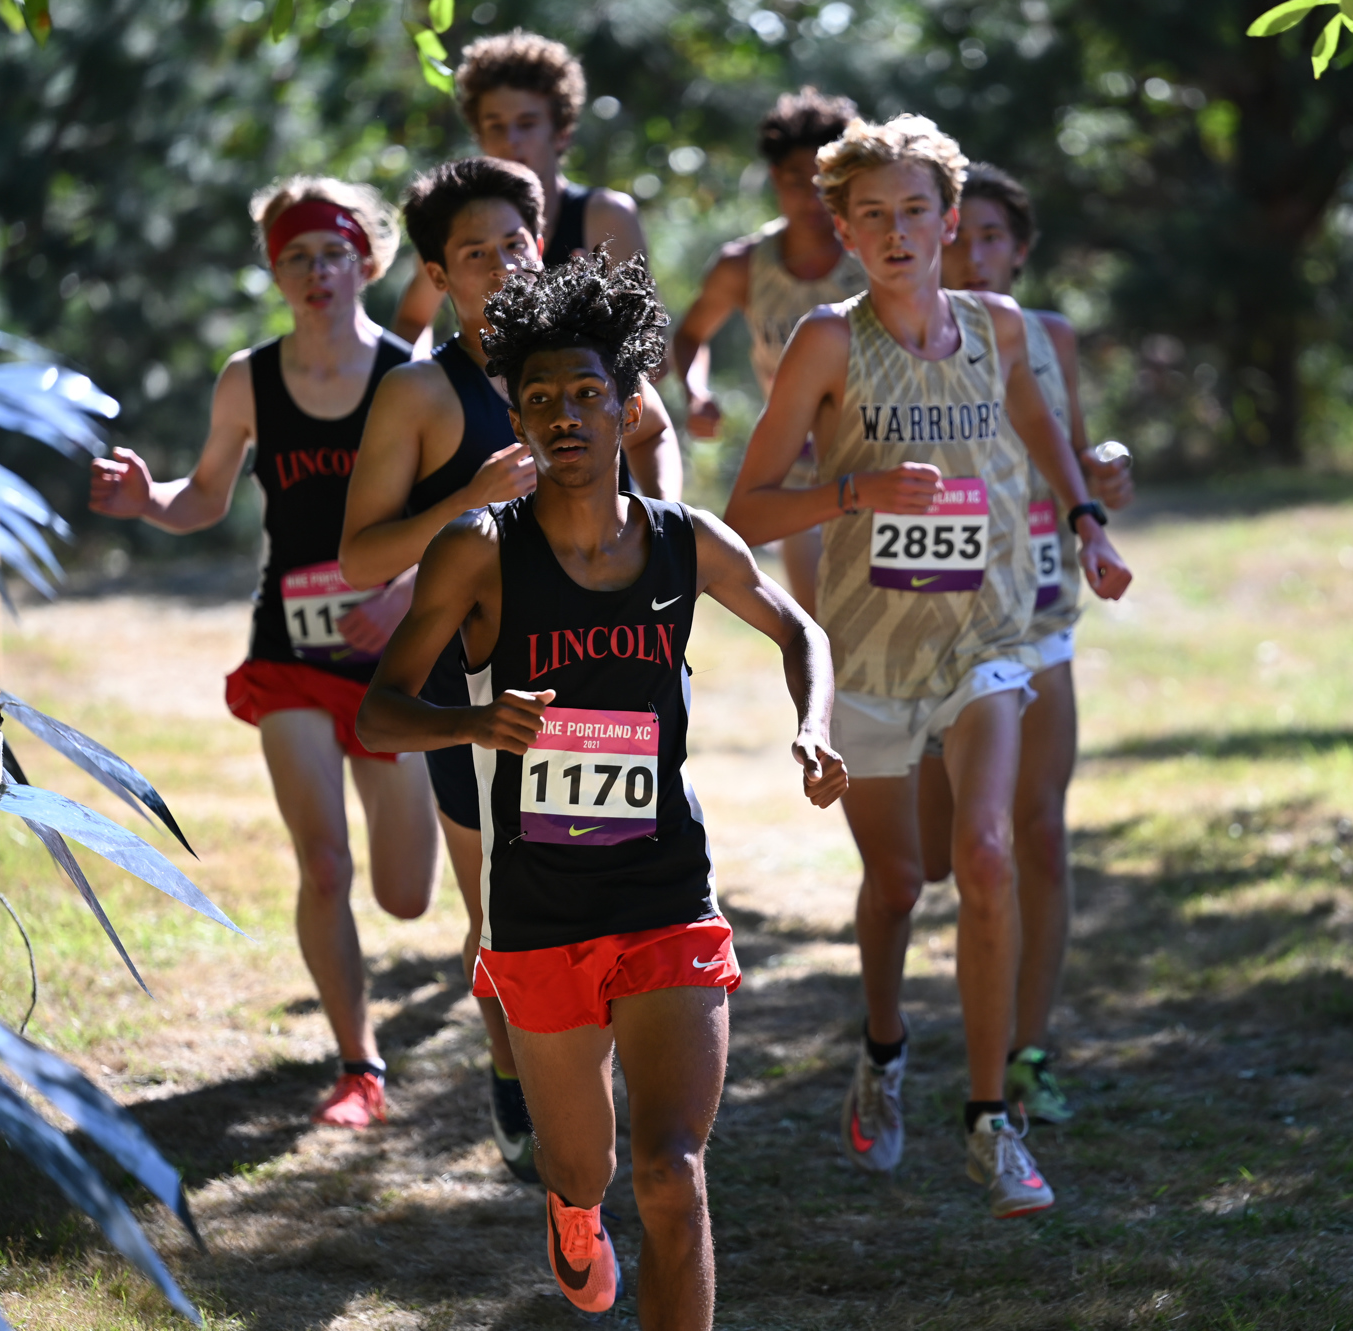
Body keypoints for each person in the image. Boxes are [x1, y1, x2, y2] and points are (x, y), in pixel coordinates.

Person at [358, 250, 846, 1326]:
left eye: (586, 394)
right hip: (539, 909)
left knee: (672, 1174)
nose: (565, 417)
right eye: (539, 401)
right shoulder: (476, 552)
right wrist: (471, 719)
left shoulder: (684, 542)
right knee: (585, 1167)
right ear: (515, 422)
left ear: (629, 407)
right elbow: (377, 711)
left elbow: (798, 626)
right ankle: (570, 1211)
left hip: (666, 887)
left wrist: (810, 726)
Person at [722, 115, 1132, 1218]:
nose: (896, 233)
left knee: (988, 849)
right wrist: (852, 492)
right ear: (844, 233)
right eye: (872, 216)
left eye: (915, 211)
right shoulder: (824, 341)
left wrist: (1088, 523)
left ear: (950, 222)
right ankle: (884, 1045)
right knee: (898, 880)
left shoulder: (998, 329)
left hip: (987, 636)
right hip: (866, 654)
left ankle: (990, 1124)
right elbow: (745, 507)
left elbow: (1045, 437)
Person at [337, 155, 680, 1180]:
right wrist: (469, 497)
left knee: (623, 900)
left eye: (513, 245)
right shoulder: (416, 392)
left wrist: (657, 561)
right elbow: (357, 557)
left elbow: (653, 446)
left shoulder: (597, 362)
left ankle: (594, 1086)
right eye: (472, 254)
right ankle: (510, 1070)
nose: (497, 265)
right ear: (438, 275)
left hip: (607, 683)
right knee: (501, 915)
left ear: (547, 247)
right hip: (469, 692)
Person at [90, 177, 439, 1130]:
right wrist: (144, 499)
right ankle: (358, 1062)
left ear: (366, 259)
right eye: (296, 257)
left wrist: (405, 595)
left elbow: (466, 521)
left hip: (396, 656)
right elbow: (203, 495)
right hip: (290, 643)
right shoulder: (249, 376)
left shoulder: (415, 373)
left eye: (333, 253)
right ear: (275, 270)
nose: (317, 272)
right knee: (324, 863)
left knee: (406, 895)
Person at [915, 162, 1135, 1127]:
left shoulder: (1050, 337)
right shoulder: (902, 335)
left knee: (1036, 832)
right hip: (930, 624)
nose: (976, 253)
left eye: (997, 235)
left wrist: (1103, 480)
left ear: (1022, 246)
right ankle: (948, 1017)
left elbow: (1072, 454)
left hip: (1038, 612)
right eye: (964, 234)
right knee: (932, 856)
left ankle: (1027, 1049)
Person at [669, 87, 867, 617]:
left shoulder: (877, 256)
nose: (812, 195)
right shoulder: (744, 266)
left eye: (826, 181)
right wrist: (695, 392)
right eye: (796, 180)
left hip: (878, 457)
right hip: (796, 471)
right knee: (818, 620)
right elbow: (689, 336)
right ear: (775, 180)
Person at [389, 28, 648, 349]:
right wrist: (427, 387)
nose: (510, 141)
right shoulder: (452, 221)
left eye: (526, 124)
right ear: (479, 135)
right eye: (495, 125)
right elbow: (412, 324)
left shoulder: (606, 215)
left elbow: (648, 343)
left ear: (562, 132)